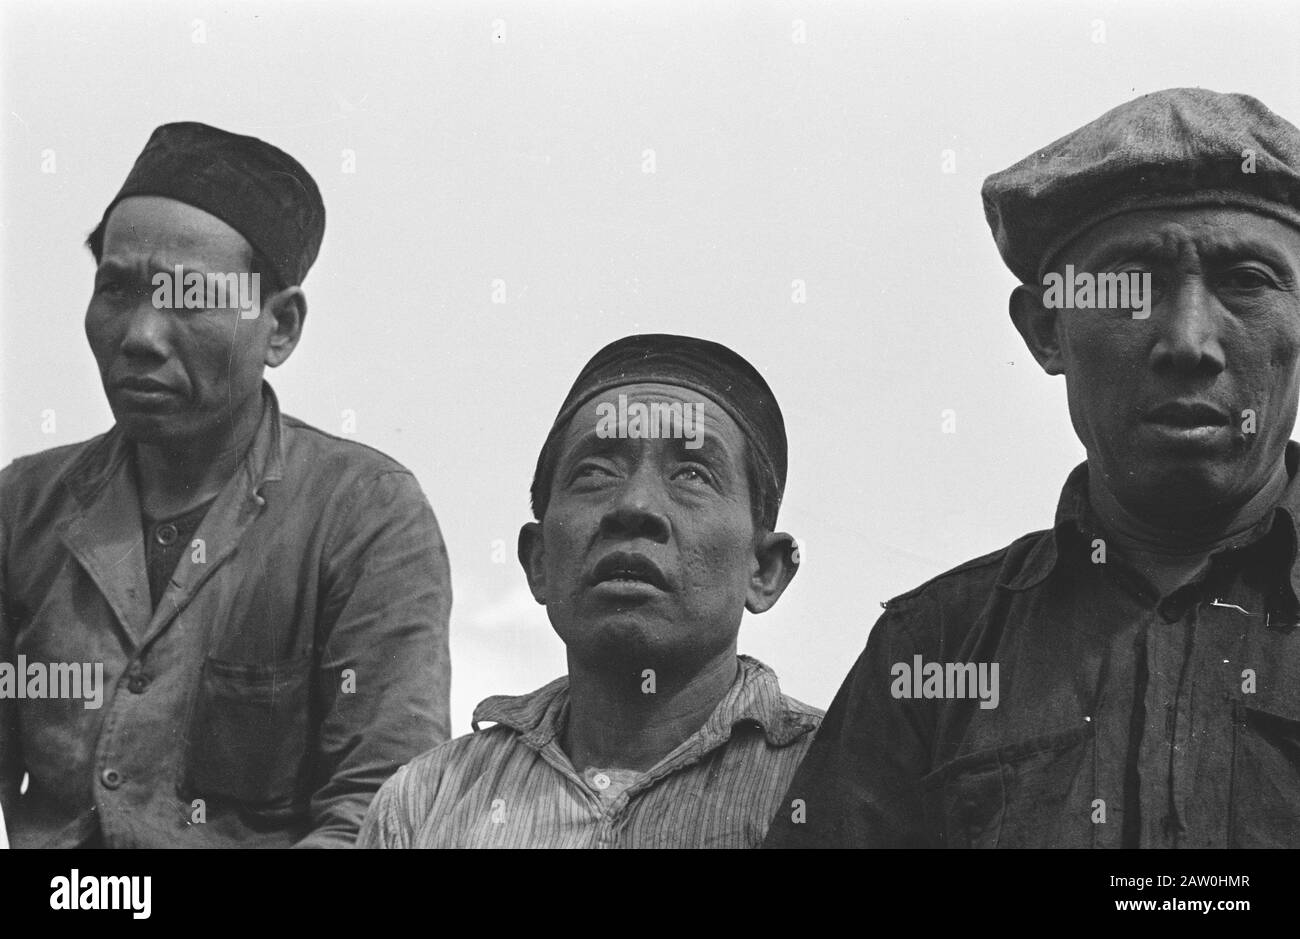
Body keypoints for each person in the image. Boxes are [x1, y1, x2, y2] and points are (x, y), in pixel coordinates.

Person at [765, 88, 1300, 848]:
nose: (1189, 340)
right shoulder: (934, 650)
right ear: (1048, 330)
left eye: (1247, 279)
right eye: (1129, 284)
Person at [0, 121, 452, 847]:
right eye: (116, 288)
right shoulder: (20, 508)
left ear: (280, 329)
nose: (140, 333)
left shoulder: (366, 514)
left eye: (189, 296)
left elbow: (381, 810)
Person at [360, 334, 820, 847]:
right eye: (595, 472)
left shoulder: (838, 781)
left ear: (764, 568)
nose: (635, 505)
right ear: (538, 561)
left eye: (693, 473)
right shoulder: (424, 805)